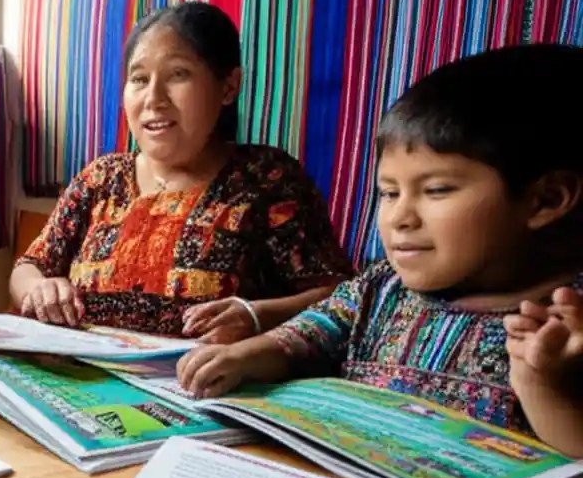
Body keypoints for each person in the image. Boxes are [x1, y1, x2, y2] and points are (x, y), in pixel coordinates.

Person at [177, 44, 583, 456]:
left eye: (436, 190)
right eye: (388, 193)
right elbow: (308, 335)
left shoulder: (566, 327)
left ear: (545, 200)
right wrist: (243, 356)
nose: (399, 218)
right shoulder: (380, 287)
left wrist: (541, 387)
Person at [10, 2, 352, 343]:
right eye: (140, 79)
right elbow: (28, 267)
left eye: (178, 75)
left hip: (202, 385)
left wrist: (256, 316)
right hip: (80, 378)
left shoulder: (268, 180)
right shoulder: (100, 179)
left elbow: (339, 296)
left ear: (229, 86)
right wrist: (40, 289)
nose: (153, 99)